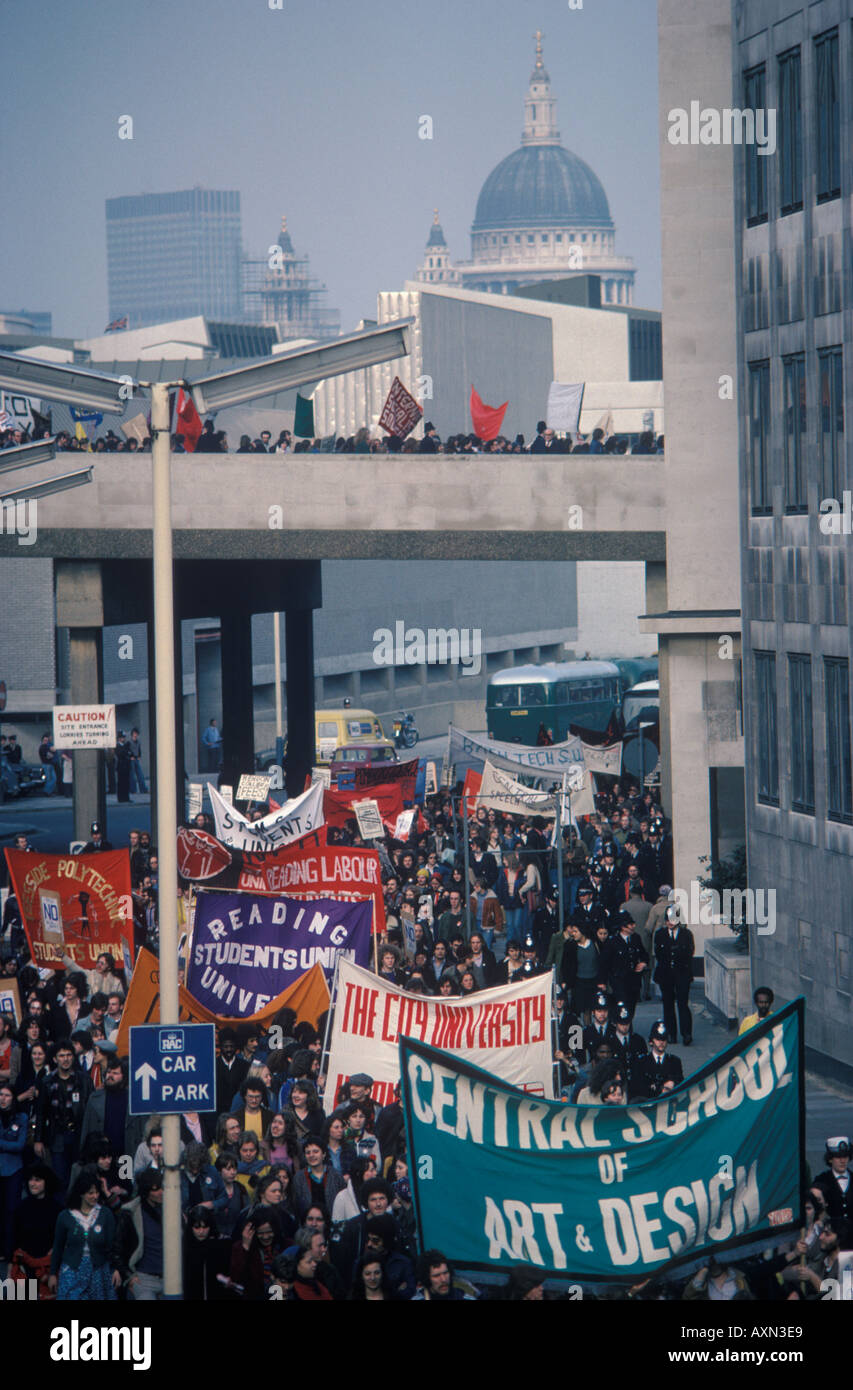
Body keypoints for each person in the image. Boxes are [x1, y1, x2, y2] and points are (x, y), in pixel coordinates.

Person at [50, 1166, 120, 1300]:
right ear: (81, 1193)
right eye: (90, 1193)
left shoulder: (105, 1214)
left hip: (98, 1271)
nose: (95, 1196)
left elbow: (112, 1246)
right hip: (72, 1270)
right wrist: (53, 1273)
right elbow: (58, 1246)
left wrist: (115, 1269)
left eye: (97, 1192)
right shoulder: (65, 1216)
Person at [9, 1162, 63, 1297]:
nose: (32, 1183)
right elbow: (13, 1239)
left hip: (48, 1268)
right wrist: (10, 1267)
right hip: (24, 1267)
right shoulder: (21, 1208)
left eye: (37, 1180)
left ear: (47, 1182)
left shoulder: (58, 1210)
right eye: (30, 1179)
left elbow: (61, 1240)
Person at [114, 1168, 165, 1299]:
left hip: (170, 1278)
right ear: (146, 1191)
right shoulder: (130, 1212)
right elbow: (118, 1248)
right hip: (144, 1279)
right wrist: (128, 1276)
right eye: (155, 1189)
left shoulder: (172, 1209)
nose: (161, 1192)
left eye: (162, 1187)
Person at [653, 904, 695, 1045]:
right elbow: (658, 954)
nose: (669, 922)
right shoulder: (660, 934)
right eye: (667, 920)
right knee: (668, 1004)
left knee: (683, 1004)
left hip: (682, 973)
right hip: (666, 974)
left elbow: (690, 953)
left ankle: (686, 1033)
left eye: (672, 919)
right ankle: (671, 1033)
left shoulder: (686, 934)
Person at [0, 1081, 28, 1260]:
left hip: (14, 1170)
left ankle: (9, 1250)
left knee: (11, 1211)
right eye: (1, 1095)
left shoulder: (21, 1117)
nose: (3, 1099)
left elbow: (20, 1145)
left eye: (7, 1095)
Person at [812, 1137, 853, 1249]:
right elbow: (814, 1195)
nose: (842, 1160)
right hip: (832, 1240)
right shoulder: (823, 1179)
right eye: (838, 1157)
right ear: (830, 1159)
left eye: (845, 1156)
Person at [183, 1205, 231, 1300]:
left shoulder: (221, 1243)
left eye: (205, 1227)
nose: (201, 1231)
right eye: (197, 1227)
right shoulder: (185, 1245)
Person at [635, 1020, 683, 1099]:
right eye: (658, 1039)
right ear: (651, 1041)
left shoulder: (675, 1062)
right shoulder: (642, 1062)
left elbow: (680, 1085)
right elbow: (638, 1087)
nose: (661, 1042)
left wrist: (671, 1083)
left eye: (663, 1039)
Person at [413, 1248, 477, 1300]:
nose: (443, 1279)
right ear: (427, 1279)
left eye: (445, 1273)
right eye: (436, 1276)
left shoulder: (465, 1298)